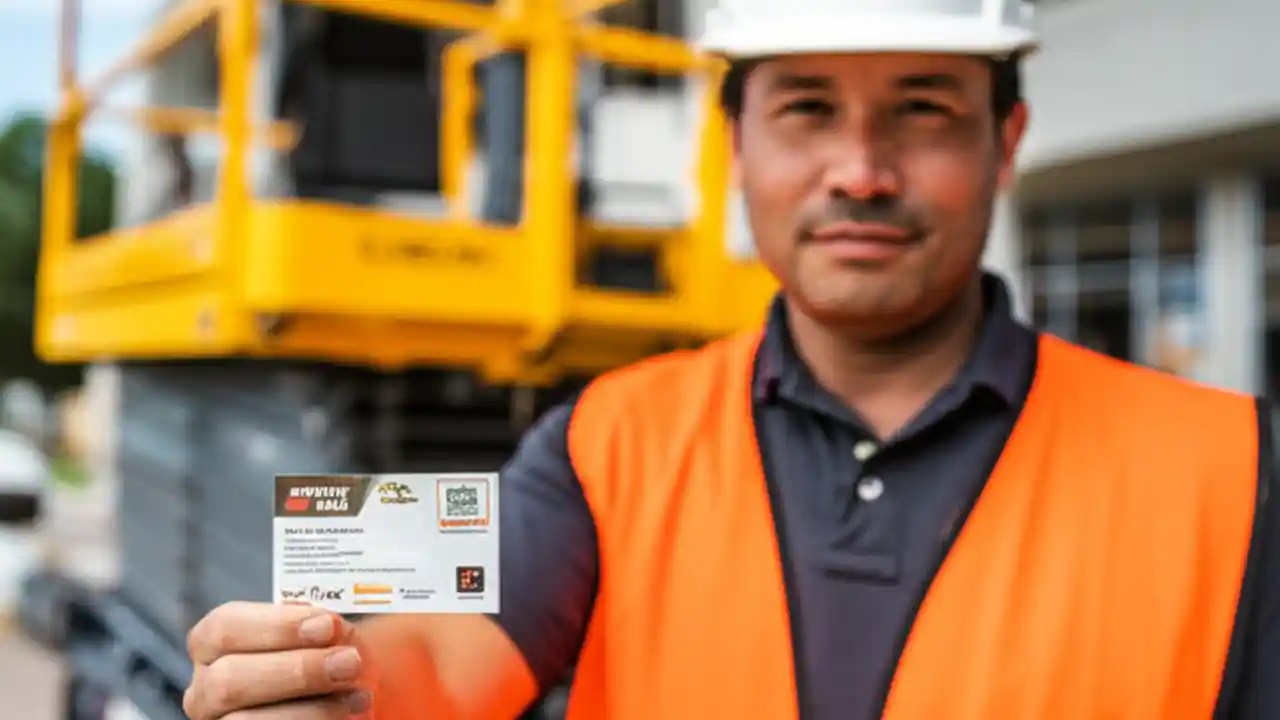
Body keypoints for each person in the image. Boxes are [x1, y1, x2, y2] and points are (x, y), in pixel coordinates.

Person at [181, 1, 1279, 718]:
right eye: (806, 108)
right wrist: (336, 683)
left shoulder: (1232, 469)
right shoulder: (594, 434)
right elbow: (423, 640)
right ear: (733, 145)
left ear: (1004, 141)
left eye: (922, 111)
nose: (858, 169)